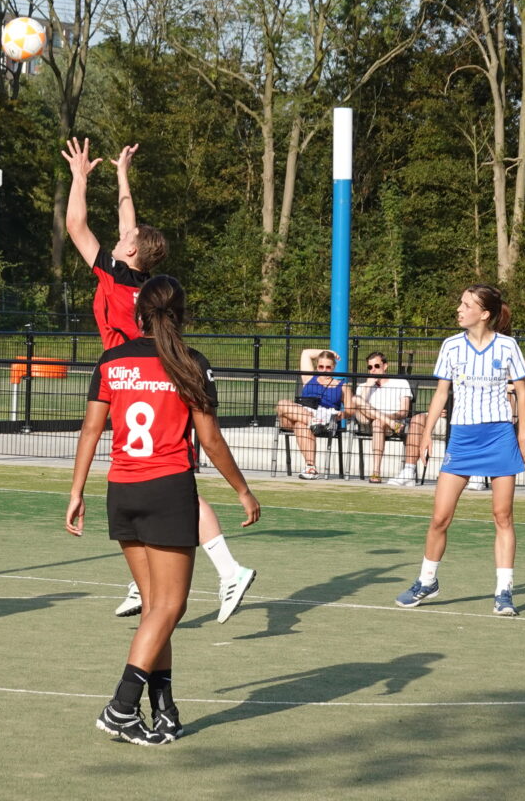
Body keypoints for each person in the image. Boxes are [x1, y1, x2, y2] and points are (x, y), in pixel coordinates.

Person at [63, 137, 255, 623]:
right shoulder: (140, 282)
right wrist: (123, 174)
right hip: (152, 375)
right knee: (161, 478)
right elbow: (130, 225)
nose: (121, 235)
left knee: (170, 484)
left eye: (126, 237)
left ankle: (229, 570)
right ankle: (142, 578)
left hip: (127, 381)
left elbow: (75, 225)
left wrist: (80, 177)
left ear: (130, 251)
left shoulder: (112, 276)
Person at [66, 275, 260, 745]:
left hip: (121, 489)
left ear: (139, 312)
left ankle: (165, 709)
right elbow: (209, 439)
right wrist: (243, 490)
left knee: (155, 609)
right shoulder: (190, 363)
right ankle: (121, 706)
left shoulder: (111, 360)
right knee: (170, 607)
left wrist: (75, 491)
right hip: (168, 491)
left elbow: (91, 430)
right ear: (182, 314)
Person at [394, 284, 525, 616]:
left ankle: (503, 591)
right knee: (440, 517)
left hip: (499, 435)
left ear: (484, 313)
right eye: (460, 303)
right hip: (462, 438)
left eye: (465, 304)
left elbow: (522, 395)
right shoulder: (451, 346)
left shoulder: (508, 346)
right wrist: (426, 434)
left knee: (503, 516)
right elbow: (441, 394)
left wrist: (522, 437)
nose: (458, 309)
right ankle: (427, 581)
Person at [273, 347, 347, 479]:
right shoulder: (309, 378)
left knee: (300, 424)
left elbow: (351, 409)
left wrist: (341, 415)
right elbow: (306, 353)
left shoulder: (341, 385)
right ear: (317, 366)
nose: (324, 370)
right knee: (282, 403)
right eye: (321, 366)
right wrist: (328, 352)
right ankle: (313, 421)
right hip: (305, 414)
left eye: (328, 367)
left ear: (334, 367)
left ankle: (310, 467)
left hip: (324, 419)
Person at [342, 352, 414, 483]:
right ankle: (386, 422)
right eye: (370, 367)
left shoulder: (401, 382)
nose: (373, 370)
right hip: (365, 421)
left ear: (385, 366)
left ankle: (376, 472)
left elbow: (404, 411)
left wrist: (385, 418)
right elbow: (358, 406)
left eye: (376, 366)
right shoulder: (363, 386)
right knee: (356, 400)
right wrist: (369, 386)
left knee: (377, 423)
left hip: (390, 422)